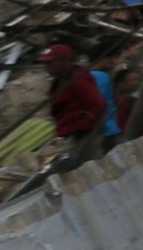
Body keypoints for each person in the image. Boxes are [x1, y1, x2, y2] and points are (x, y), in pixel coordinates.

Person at [42, 42, 107, 171]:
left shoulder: (77, 80)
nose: (47, 67)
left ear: (65, 62)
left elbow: (98, 105)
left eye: (51, 63)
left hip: (86, 135)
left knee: (92, 170)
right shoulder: (58, 83)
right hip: (73, 136)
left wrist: (81, 127)